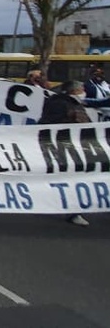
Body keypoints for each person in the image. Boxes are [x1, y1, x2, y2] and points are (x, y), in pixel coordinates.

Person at [38, 80, 96, 227]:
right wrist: (69, 119)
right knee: (71, 178)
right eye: (82, 89)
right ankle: (73, 212)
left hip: (72, 145)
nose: (84, 91)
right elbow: (47, 123)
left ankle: (70, 209)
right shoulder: (60, 104)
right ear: (74, 91)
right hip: (64, 146)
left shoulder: (71, 103)